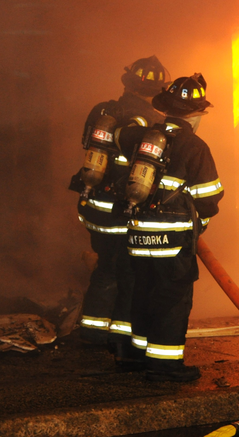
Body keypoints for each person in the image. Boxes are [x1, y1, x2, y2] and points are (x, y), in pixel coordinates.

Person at [116, 73, 223, 382]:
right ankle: (164, 364)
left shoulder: (142, 139)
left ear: (164, 108)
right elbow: (209, 197)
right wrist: (199, 222)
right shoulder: (195, 145)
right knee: (172, 299)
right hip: (173, 240)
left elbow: (119, 143)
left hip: (137, 235)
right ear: (196, 113)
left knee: (142, 292)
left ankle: (134, 355)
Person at [71, 56, 169, 353]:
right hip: (122, 207)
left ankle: (93, 329)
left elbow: (88, 146)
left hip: (92, 204)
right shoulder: (150, 120)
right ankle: (122, 335)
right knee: (130, 272)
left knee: (105, 267)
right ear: (157, 90)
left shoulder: (102, 110)